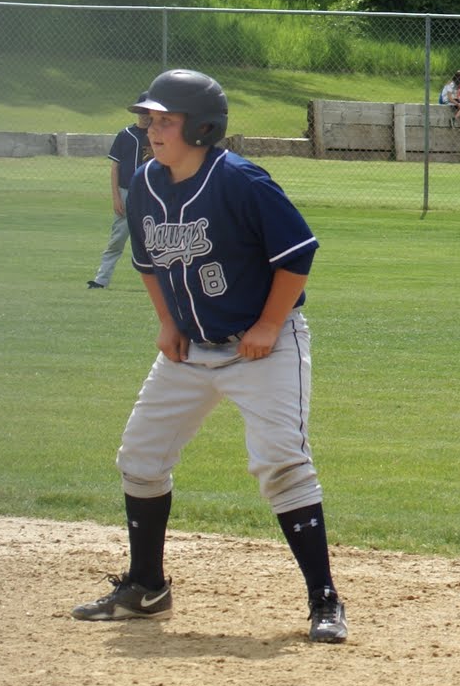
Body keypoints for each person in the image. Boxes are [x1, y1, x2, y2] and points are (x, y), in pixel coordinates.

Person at [71, 69, 347, 644]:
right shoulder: (146, 183)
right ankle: (147, 588)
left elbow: (297, 255)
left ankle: (325, 600)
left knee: (282, 463)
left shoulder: (240, 180)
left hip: (261, 347)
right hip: (190, 350)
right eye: (149, 119)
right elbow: (149, 264)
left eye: (165, 120)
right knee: (141, 456)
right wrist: (168, 322)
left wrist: (268, 325)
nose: (152, 130)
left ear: (201, 128)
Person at [86, 107, 152, 288]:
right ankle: (101, 279)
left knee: (155, 239)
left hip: (151, 194)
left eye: (148, 112)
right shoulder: (125, 135)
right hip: (126, 192)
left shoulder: (159, 135)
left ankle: (163, 282)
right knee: (117, 238)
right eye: (142, 112)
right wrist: (116, 197)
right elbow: (115, 167)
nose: (145, 116)